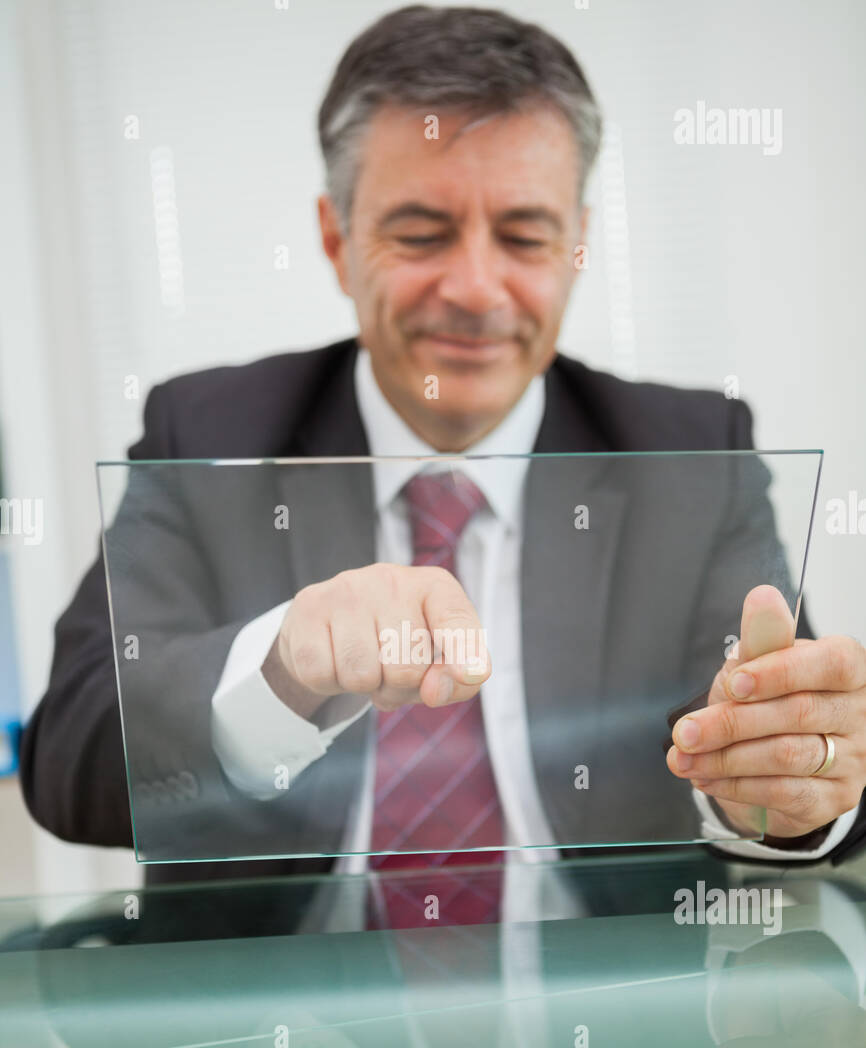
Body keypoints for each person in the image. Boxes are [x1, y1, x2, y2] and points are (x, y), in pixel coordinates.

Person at [19, 6, 866, 899]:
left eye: (526, 236)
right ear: (336, 239)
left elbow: (784, 776)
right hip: (281, 1020)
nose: (473, 288)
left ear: (577, 246)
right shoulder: (210, 437)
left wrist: (785, 789)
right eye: (420, 233)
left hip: (611, 1008)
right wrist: (282, 669)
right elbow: (67, 758)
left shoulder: (693, 455)